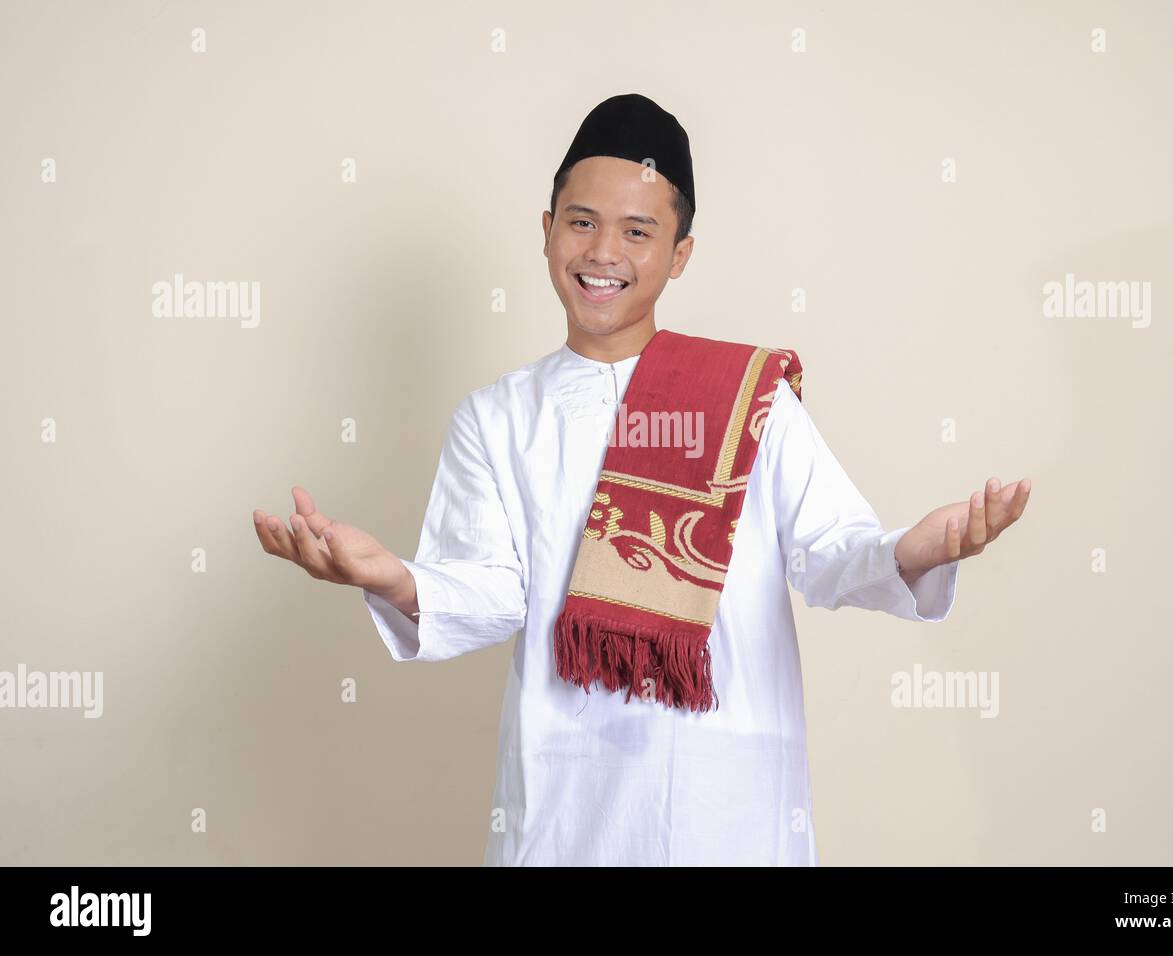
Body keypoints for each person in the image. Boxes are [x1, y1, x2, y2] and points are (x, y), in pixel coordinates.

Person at [252, 93, 1031, 865]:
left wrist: (912, 552)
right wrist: (395, 579)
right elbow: (488, 592)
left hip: (727, 798)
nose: (602, 252)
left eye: (637, 230)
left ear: (679, 254)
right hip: (564, 800)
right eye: (581, 221)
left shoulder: (748, 400)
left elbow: (831, 553)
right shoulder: (497, 418)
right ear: (547, 229)